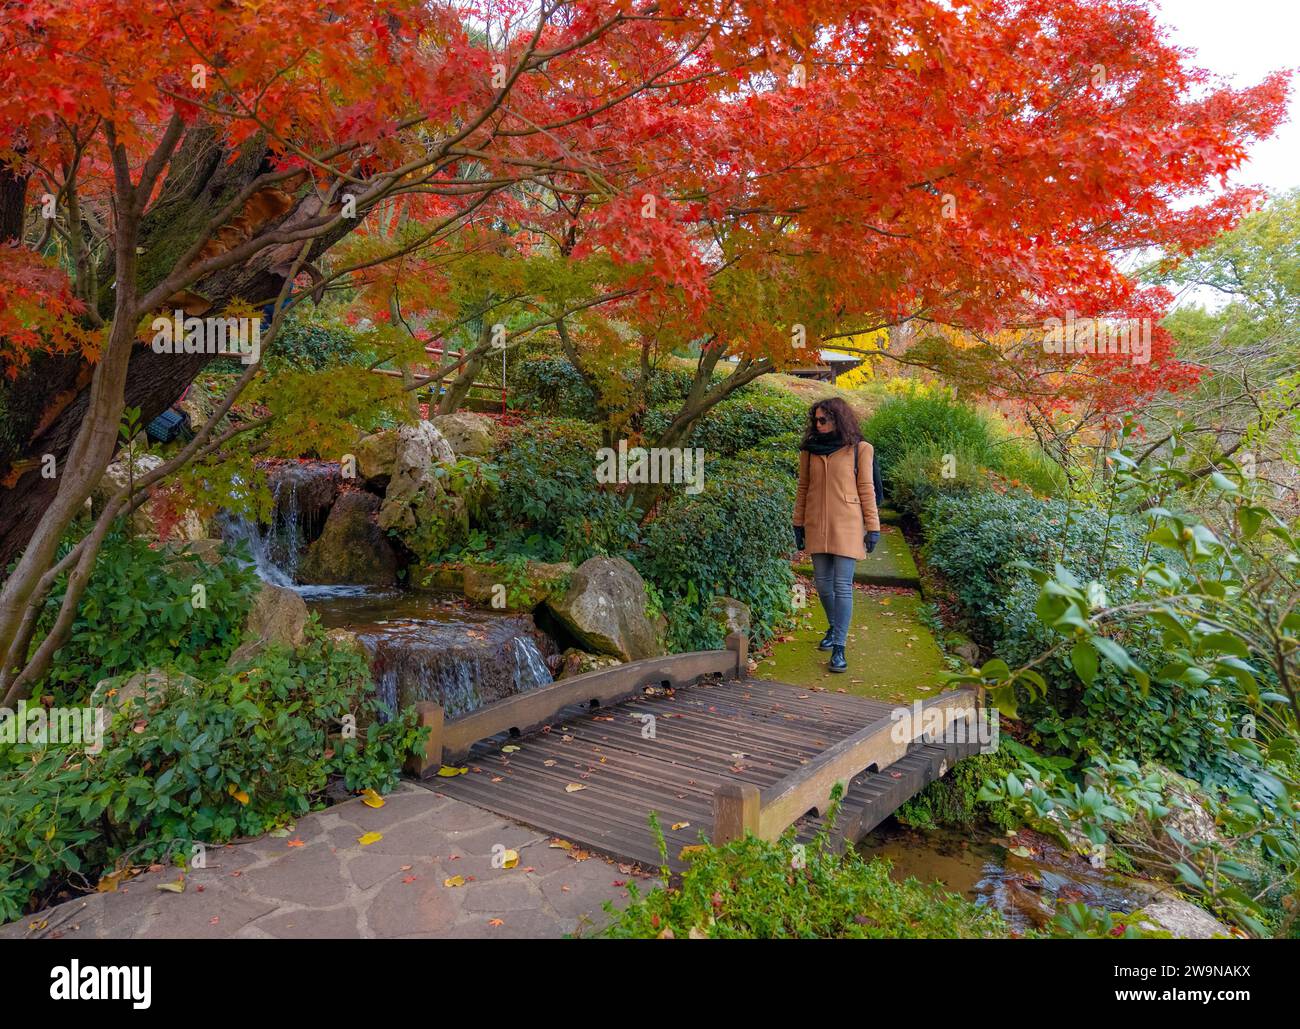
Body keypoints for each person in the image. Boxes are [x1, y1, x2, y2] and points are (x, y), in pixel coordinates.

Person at [792, 397, 880, 673]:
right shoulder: (809, 451)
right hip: (816, 523)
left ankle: (839, 647)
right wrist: (798, 523)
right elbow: (803, 488)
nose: (818, 425)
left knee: (842, 585)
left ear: (838, 419)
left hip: (848, 525)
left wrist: (873, 527)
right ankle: (833, 627)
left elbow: (867, 489)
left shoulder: (860, 449)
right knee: (822, 583)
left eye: (824, 420)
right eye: (815, 420)